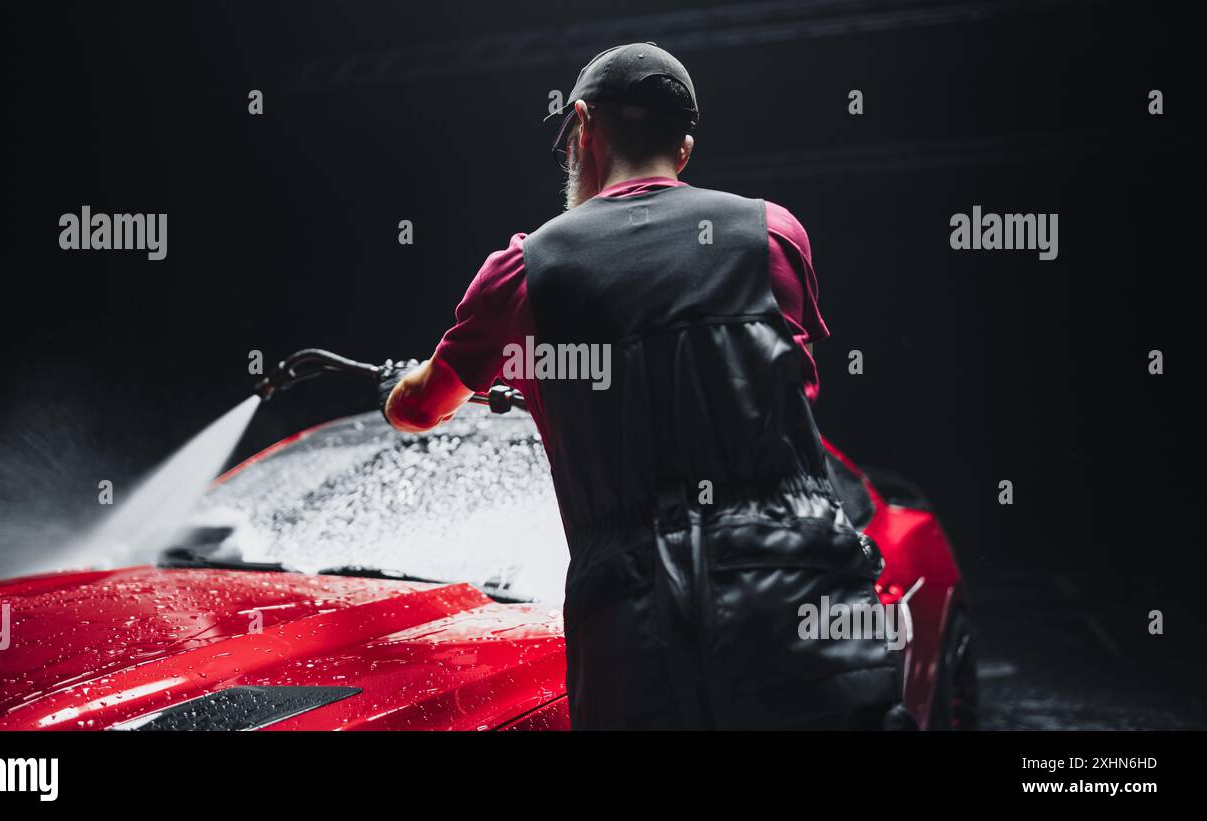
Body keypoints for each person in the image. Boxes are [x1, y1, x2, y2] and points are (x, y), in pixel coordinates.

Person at [380, 43, 902, 729]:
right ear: (682, 149)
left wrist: (408, 381)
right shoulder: (772, 236)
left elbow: (419, 409)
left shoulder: (523, 274)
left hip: (636, 628)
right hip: (804, 606)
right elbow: (771, 396)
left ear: (582, 125)